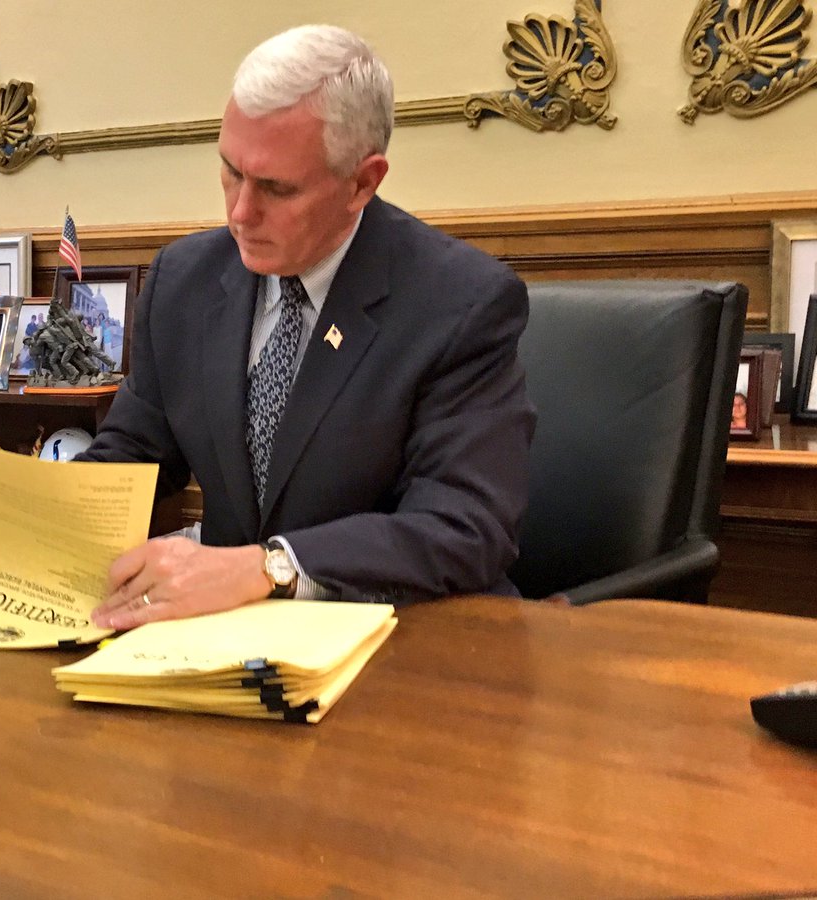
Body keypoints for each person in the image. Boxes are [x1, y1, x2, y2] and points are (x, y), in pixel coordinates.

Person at [78, 24, 535, 630]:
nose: (241, 213)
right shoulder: (182, 279)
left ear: (363, 182)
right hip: (221, 642)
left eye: (275, 187)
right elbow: (134, 457)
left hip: (403, 641)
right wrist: (30, 516)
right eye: (231, 171)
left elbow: (464, 526)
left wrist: (269, 568)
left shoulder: (461, 303)